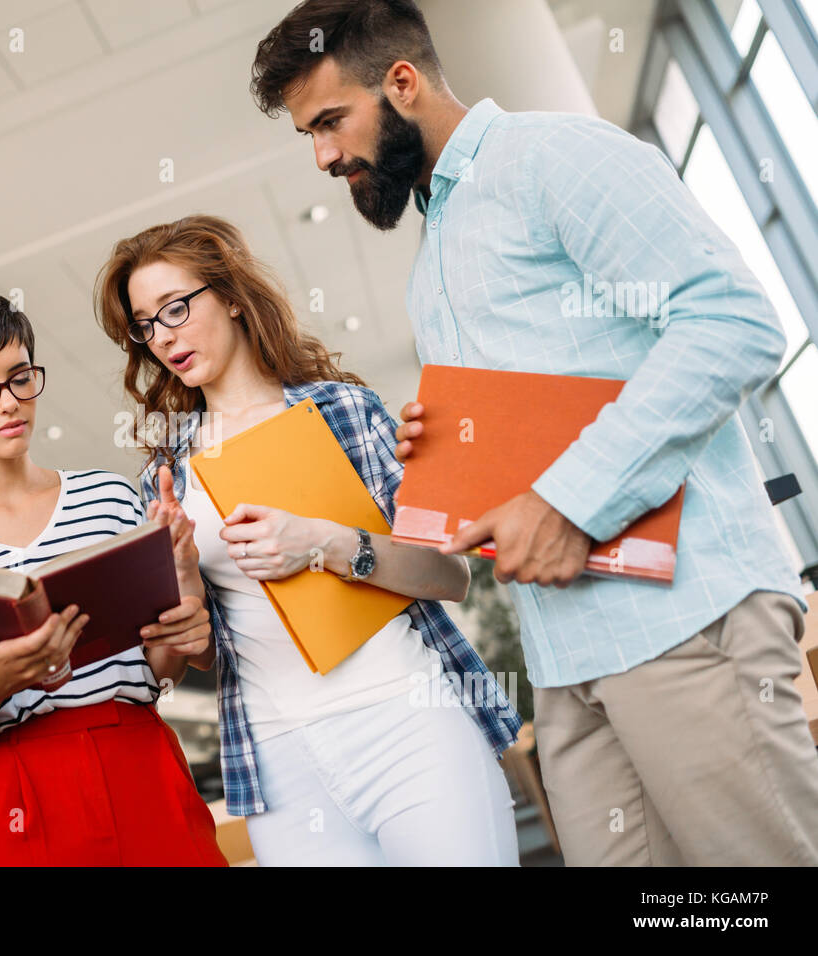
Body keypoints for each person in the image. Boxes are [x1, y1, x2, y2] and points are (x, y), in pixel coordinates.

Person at [251, 0, 818, 864]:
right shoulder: (436, 247)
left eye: (332, 121)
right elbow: (551, 401)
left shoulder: (556, 157)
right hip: (566, 660)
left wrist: (569, 500)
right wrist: (448, 449)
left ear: (401, 82)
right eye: (310, 137)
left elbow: (732, 321)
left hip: (684, 619)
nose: (326, 156)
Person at [93, 214, 520, 866]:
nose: (164, 336)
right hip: (278, 759)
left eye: (177, 308)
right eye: (146, 324)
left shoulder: (340, 413)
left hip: (406, 717)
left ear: (232, 296)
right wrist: (177, 580)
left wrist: (324, 543)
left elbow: (450, 576)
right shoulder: (165, 474)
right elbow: (204, 653)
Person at [0, 289, 228, 866]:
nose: (8, 403)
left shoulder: (109, 499)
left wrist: (185, 595)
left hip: (140, 760)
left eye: (20, 378)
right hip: (10, 783)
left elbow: (161, 668)